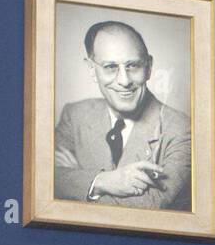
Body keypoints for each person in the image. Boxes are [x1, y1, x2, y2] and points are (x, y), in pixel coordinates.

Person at [54, 21, 191, 210]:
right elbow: (43, 178)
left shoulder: (183, 130)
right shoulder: (74, 115)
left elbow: (150, 205)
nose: (124, 81)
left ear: (149, 67)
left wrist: (74, 184)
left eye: (133, 65)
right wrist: (102, 181)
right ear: (92, 70)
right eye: (110, 67)